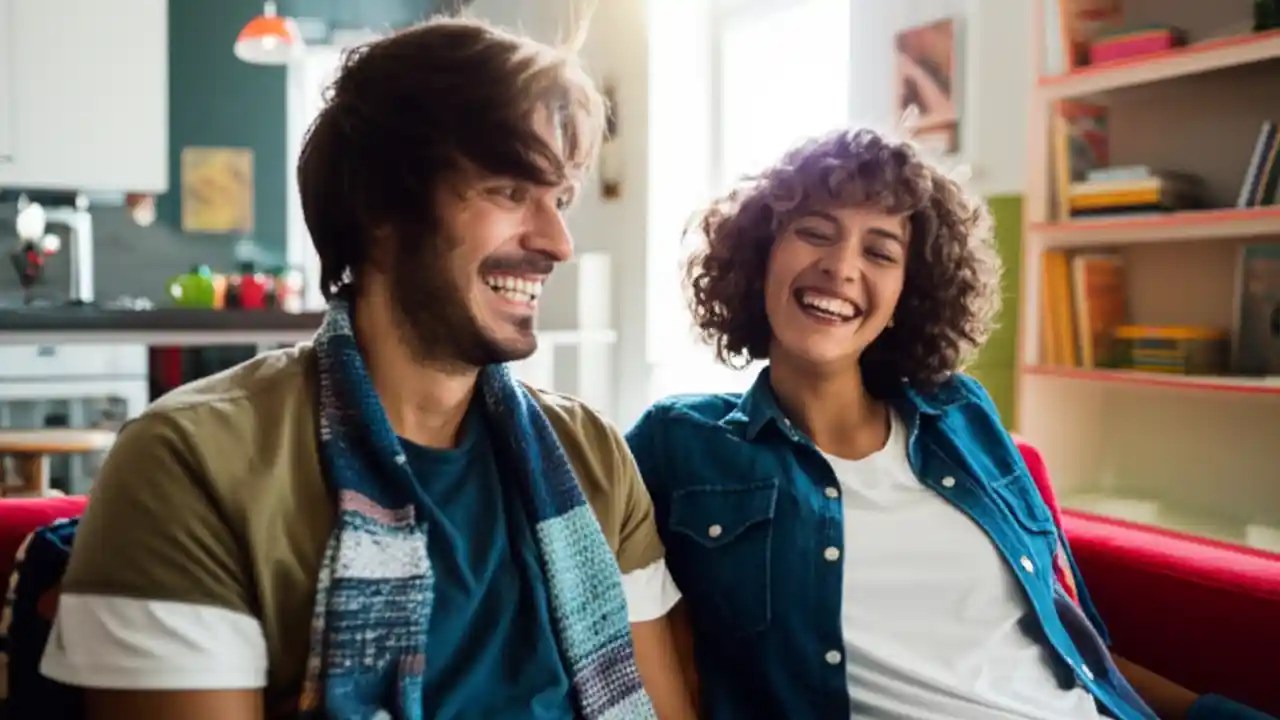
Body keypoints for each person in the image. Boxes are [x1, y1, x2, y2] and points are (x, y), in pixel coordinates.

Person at [38, 17, 694, 720]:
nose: (557, 241)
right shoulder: (192, 464)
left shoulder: (592, 454)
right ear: (382, 204)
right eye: (508, 191)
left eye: (558, 198)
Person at [626, 128, 1270, 720]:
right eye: (815, 233)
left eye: (880, 251)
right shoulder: (682, 442)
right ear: (763, 255)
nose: (842, 266)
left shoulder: (960, 413)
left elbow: (1070, 641)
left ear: (909, 294)